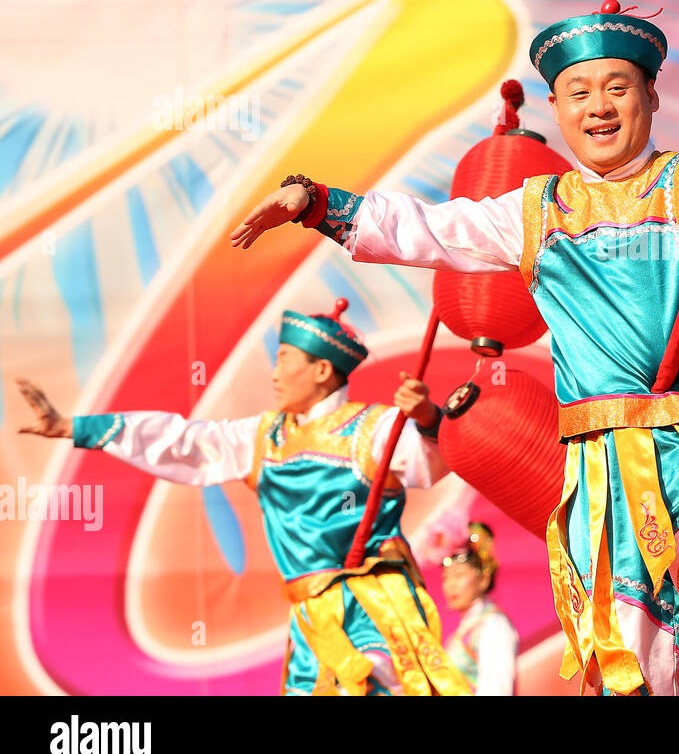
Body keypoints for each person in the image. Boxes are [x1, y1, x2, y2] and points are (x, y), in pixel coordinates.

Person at [230, 0, 679, 696]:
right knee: (632, 660)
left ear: (651, 96)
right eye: (579, 92)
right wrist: (314, 200)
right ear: (558, 108)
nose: (598, 107)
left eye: (617, 88)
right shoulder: (538, 210)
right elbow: (429, 228)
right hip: (606, 480)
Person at [17, 299, 469, 697]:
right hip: (312, 617)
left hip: (375, 604)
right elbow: (182, 442)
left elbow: (434, 462)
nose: (273, 374)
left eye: (285, 359)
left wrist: (429, 418)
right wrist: (75, 429)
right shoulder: (265, 437)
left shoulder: (374, 430)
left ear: (322, 370)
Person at [420, 512, 519, 695]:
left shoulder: (492, 624)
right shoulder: (466, 629)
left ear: (483, 578)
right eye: (446, 577)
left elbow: (497, 690)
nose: (451, 584)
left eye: (459, 575)